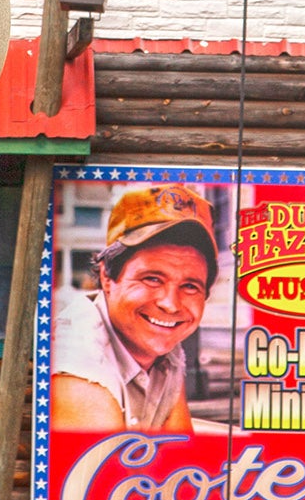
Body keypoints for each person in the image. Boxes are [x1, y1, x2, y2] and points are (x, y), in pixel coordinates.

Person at [50, 185, 220, 434]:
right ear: (107, 277)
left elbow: (181, 448)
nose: (171, 304)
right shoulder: (80, 361)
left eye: (190, 286)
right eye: (152, 279)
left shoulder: (158, 342)